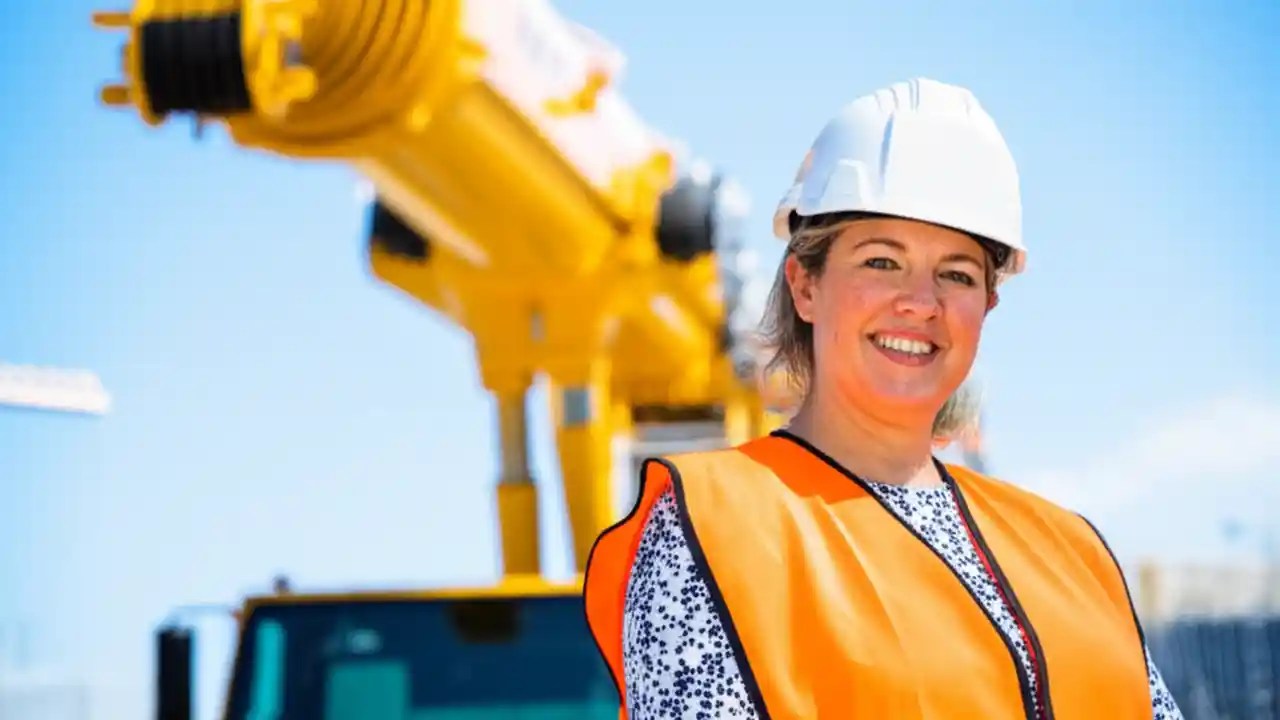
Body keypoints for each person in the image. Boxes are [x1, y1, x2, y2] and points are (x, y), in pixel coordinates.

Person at [583, 78, 1184, 719]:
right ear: (804, 285)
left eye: (956, 273)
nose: (921, 303)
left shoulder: (1073, 552)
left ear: (988, 303)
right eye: (881, 262)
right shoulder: (709, 529)